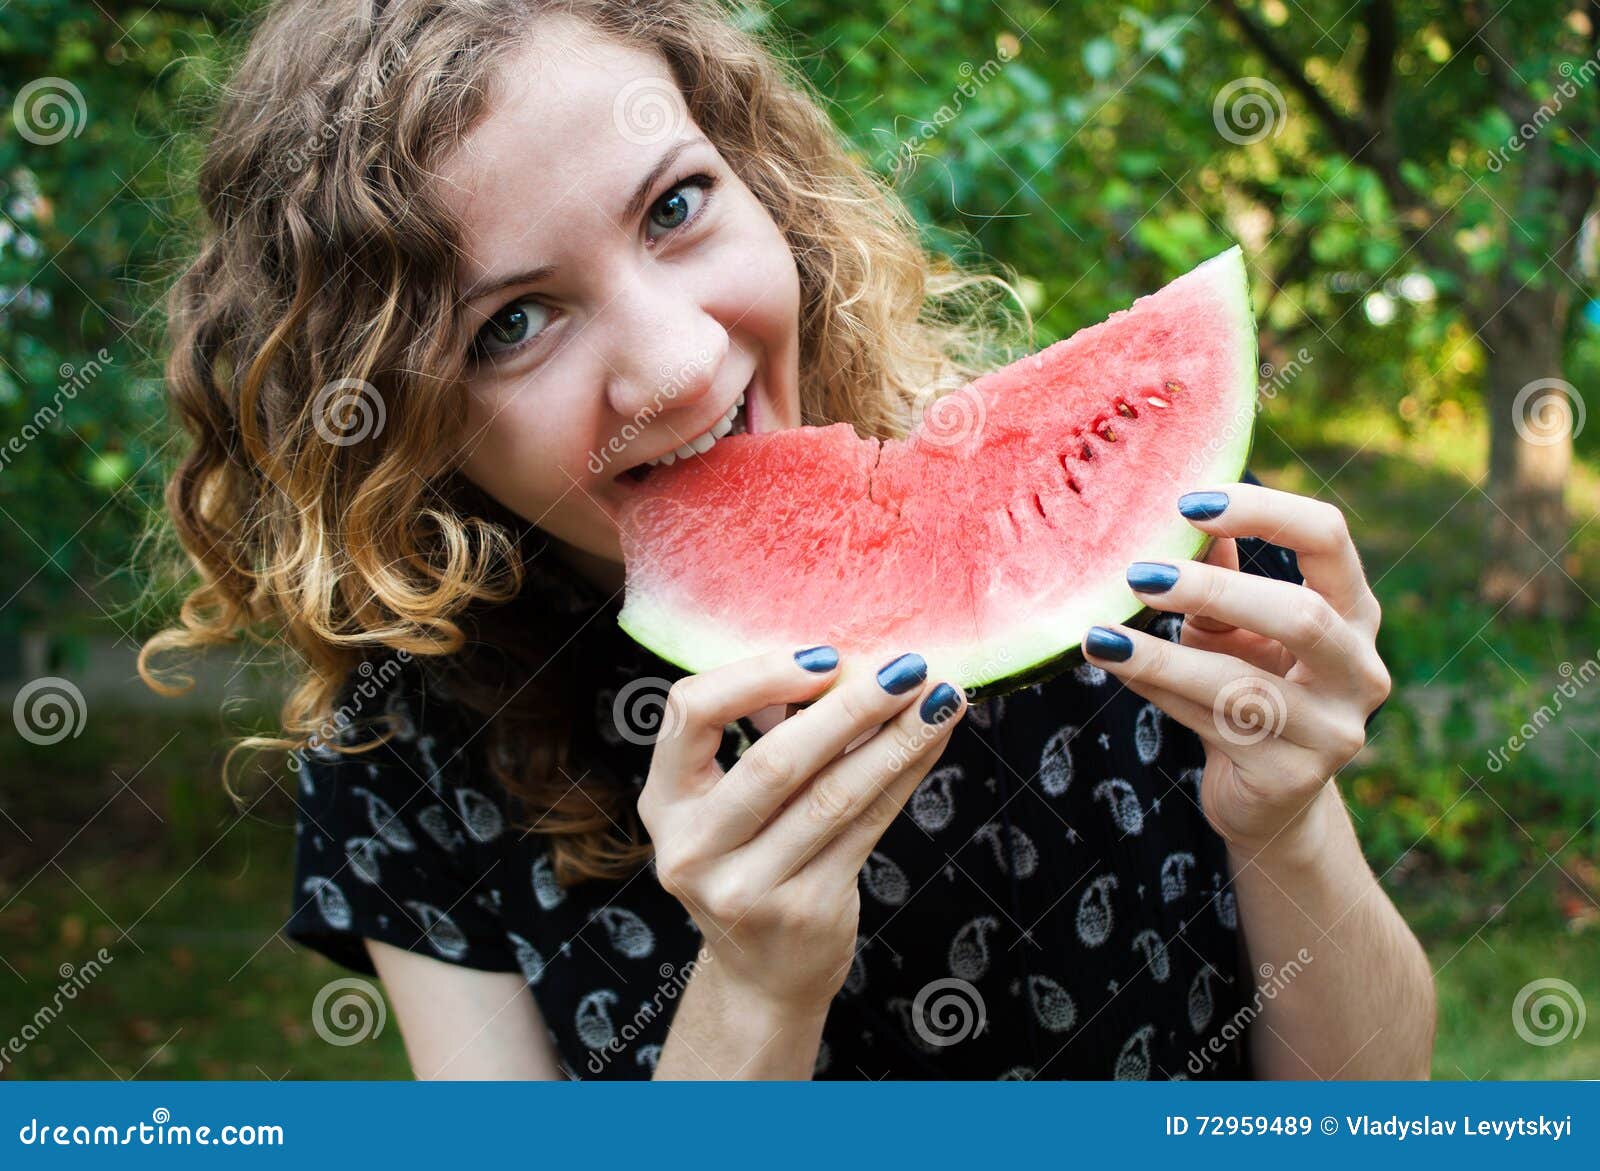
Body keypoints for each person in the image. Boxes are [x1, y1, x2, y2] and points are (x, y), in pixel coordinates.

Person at [139, 0, 1435, 1080]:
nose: (678, 359)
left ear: (764, 185)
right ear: (397, 427)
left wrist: (1285, 822)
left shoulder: (1176, 563)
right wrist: (755, 990)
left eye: (674, 207)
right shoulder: (407, 753)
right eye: (512, 324)